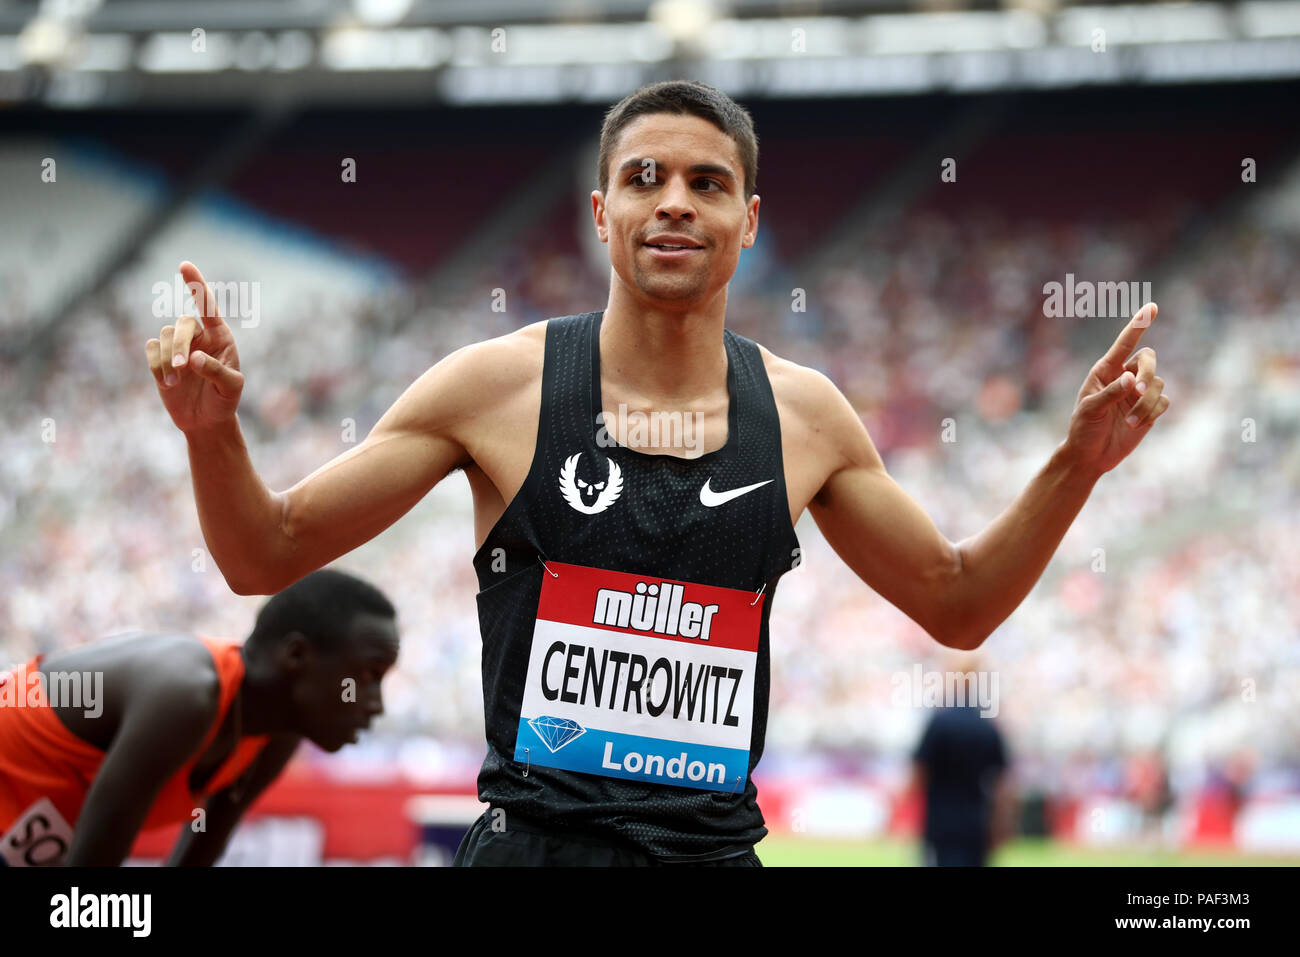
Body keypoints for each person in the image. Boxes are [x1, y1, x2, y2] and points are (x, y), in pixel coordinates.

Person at [144, 80, 1170, 866]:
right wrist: (212, 433)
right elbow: (262, 552)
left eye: (706, 182)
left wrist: (1075, 465)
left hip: (711, 854)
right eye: (645, 178)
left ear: (749, 220)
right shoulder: (494, 390)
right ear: (601, 213)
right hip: (530, 851)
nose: (673, 204)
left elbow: (958, 603)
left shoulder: (803, 416)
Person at [0, 569, 398, 866]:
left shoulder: (278, 733)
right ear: (296, 655)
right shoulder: (185, 694)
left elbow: (197, 857)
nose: (377, 704)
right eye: (367, 676)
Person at [911, 702, 1014, 867]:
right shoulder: (988, 726)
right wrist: (1002, 824)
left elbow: (918, 776)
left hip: (941, 824)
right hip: (977, 824)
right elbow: (1002, 784)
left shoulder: (939, 724)